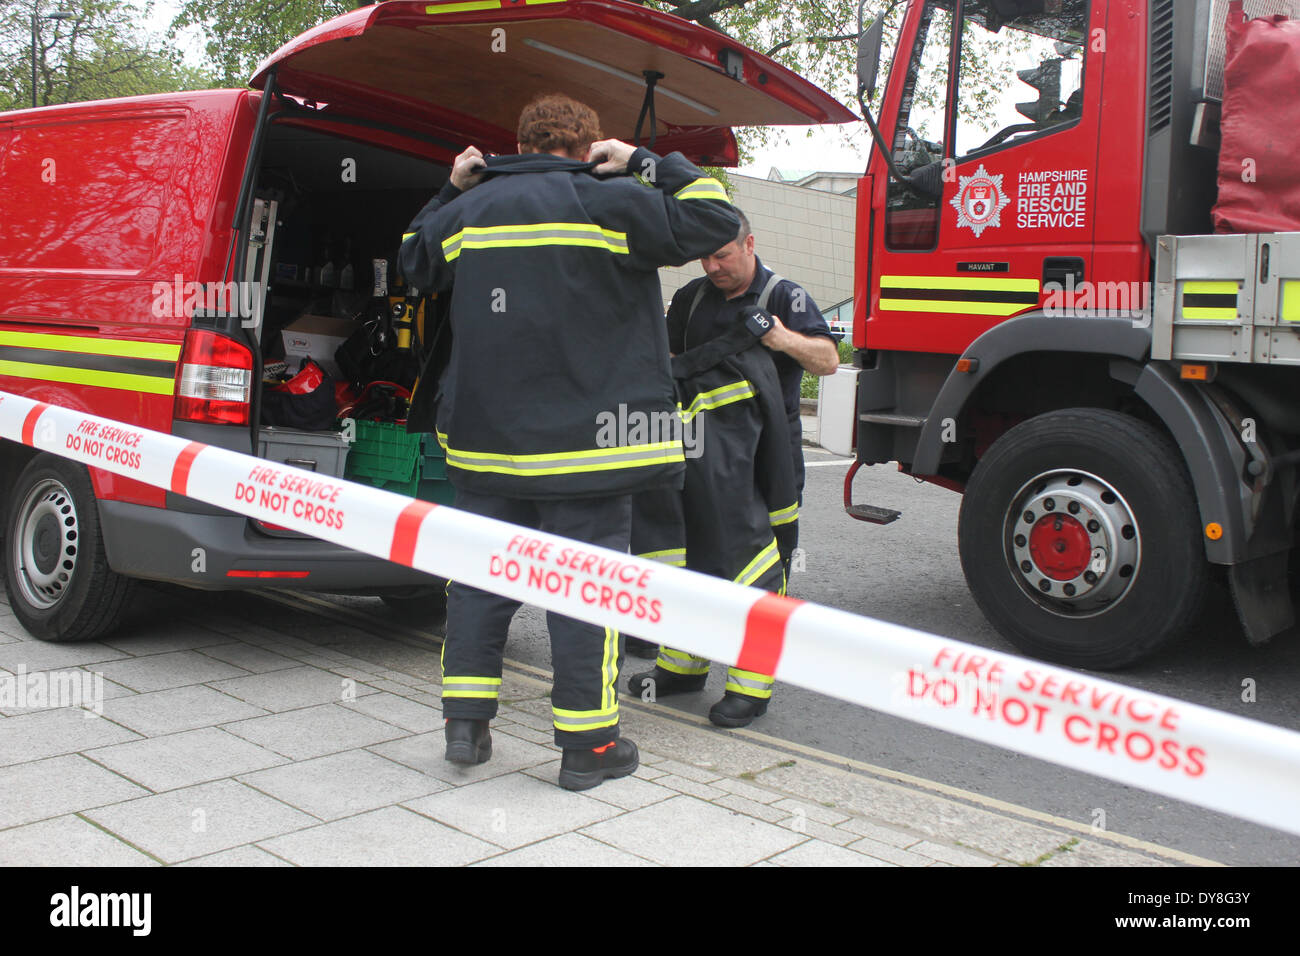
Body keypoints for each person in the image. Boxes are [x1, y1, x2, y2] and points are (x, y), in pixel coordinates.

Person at [398, 94, 739, 790]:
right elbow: (718, 221)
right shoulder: (611, 201)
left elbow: (412, 263)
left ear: (520, 142)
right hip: (591, 452)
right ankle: (589, 749)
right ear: (588, 147)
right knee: (586, 593)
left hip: (485, 449)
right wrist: (644, 161)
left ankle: (465, 726)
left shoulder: (468, 211)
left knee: (478, 583)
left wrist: (451, 185)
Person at [626, 211, 838, 726]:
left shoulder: (782, 296)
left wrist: (782, 339)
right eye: (706, 257)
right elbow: (668, 361)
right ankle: (684, 665)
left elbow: (828, 360)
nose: (713, 265)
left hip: (768, 452)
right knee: (692, 550)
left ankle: (751, 686)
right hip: (701, 449)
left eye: (722, 255)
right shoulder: (693, 298)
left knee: (758, 556)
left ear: (749, 244)